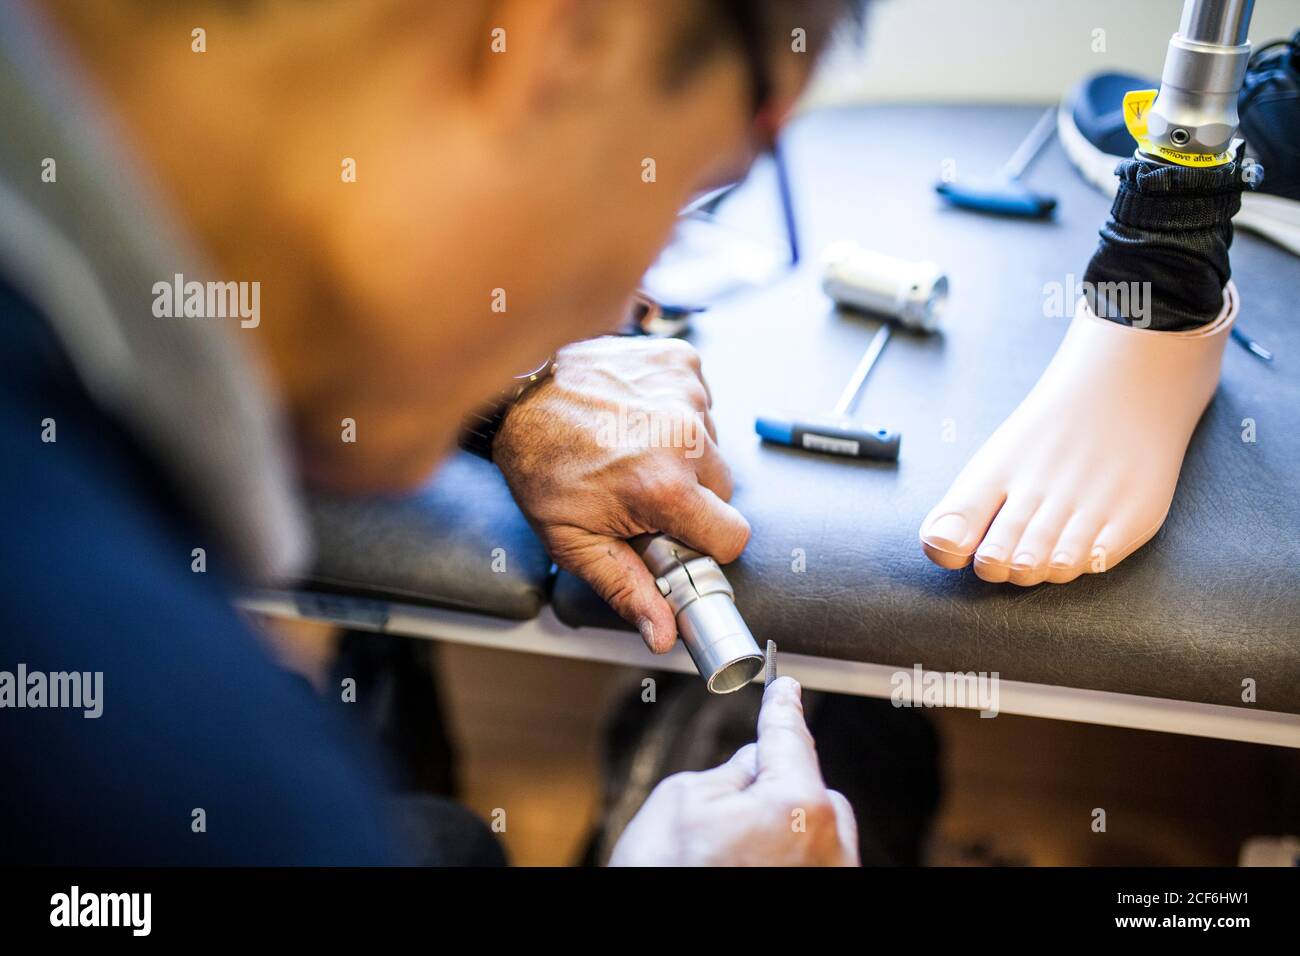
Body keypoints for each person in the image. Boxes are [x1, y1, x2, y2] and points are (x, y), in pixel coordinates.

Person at [0, 0, 864, 865]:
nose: (621, 311)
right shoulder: (202, 780)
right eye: (686, 192)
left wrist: (512, 392)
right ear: (560, 41)